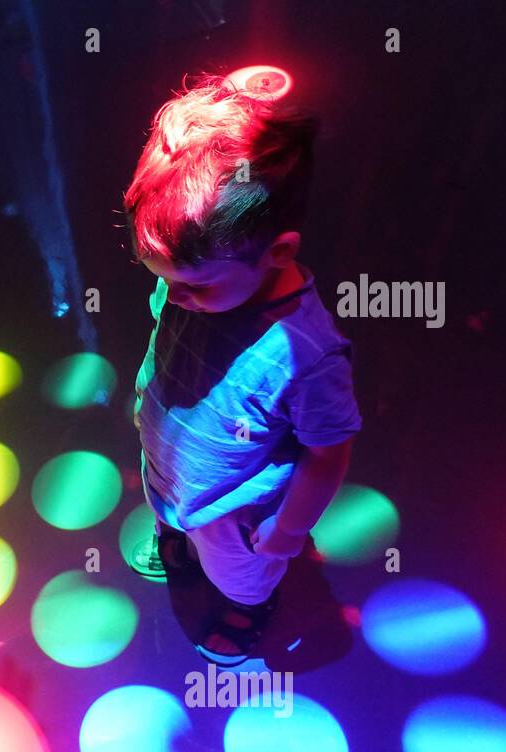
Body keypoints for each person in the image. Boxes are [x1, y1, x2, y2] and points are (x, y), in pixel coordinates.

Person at [122, 75, 361, 666]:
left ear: (277, 253)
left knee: (240, 575)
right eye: (164, 278)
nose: (173, 296)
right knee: (167, 510)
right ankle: (177, 540)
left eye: (194, 285)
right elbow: (168, 328)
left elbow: (328, 454)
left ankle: (248, 608)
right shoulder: (195, 286)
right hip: (171, 462)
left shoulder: (305, 354)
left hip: (234, 508)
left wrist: (286, 531)